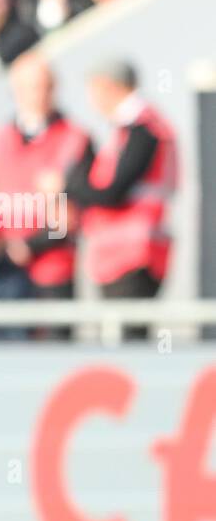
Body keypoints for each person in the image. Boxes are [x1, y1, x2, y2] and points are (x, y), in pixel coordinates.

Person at [63, 60, 177, 339]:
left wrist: (68, 188)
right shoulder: (132, 129)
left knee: (129, 346)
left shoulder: (143, 130)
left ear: (108, 87)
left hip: (133, 256)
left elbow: (113, 192)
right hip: (122, 255)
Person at [0, 53, 89, 309]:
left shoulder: (75, 138)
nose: (37, 95)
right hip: (1, 272)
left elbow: (73, 214)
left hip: (51, 271)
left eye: (43, 86)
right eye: (28, 88)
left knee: (51, 346)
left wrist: (27, 245)